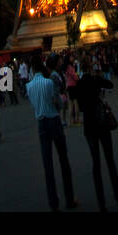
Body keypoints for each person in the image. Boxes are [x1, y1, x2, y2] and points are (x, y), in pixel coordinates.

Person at [25, 51, 78, 212]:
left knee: (47, 165)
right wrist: (62, 101)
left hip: (41, 124)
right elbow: (59, 104)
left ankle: (53, 201)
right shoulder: (49, 83)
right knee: (64, 160)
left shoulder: (28, 86)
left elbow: (34, 106)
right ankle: (69, 198)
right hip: (54, 120)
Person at [75, 54, 118, 212]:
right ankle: (117, 194)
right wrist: (98, 75)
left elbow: (81, 107)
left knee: (96, 164)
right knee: (109, 159)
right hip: (102, 124)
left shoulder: (79, 84)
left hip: (89, 127)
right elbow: (110, 84)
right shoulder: (96, 79)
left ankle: (101, 202)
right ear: (90, 66)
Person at [65, 57, 80, 124]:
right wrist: (78, 77)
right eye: (71, 57)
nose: (72, 58)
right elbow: (75, 77)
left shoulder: (66, 68)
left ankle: (70, 120)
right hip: (73, 86)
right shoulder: (71, 68)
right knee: (76, 103)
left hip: (69, 86)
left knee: (70, 104)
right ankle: (77, 119)